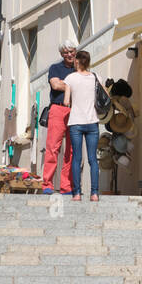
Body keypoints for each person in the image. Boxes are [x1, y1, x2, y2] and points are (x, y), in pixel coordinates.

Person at [62, 49, 101, 202]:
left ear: (77, 61)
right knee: (93, 159)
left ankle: (77, 194)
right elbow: (105, 95)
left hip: (76, 122)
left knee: (77, 159)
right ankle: (94, 194)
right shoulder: (96, 77)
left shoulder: (70, 78)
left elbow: (66, 101)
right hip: (92, 122)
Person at [42, 41, 77, 195]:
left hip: (75, 110)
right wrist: (74, 84)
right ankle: (47, 184)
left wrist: (66, 84)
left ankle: (66, 186)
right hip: (57, 109)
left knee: (71, 150)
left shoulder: (80, 69)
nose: (69, 54)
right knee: (52, 148)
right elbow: (55, 85)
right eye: (65, 52)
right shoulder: (55, 68)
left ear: (75, 51)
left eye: (71, 51)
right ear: (62, 54)